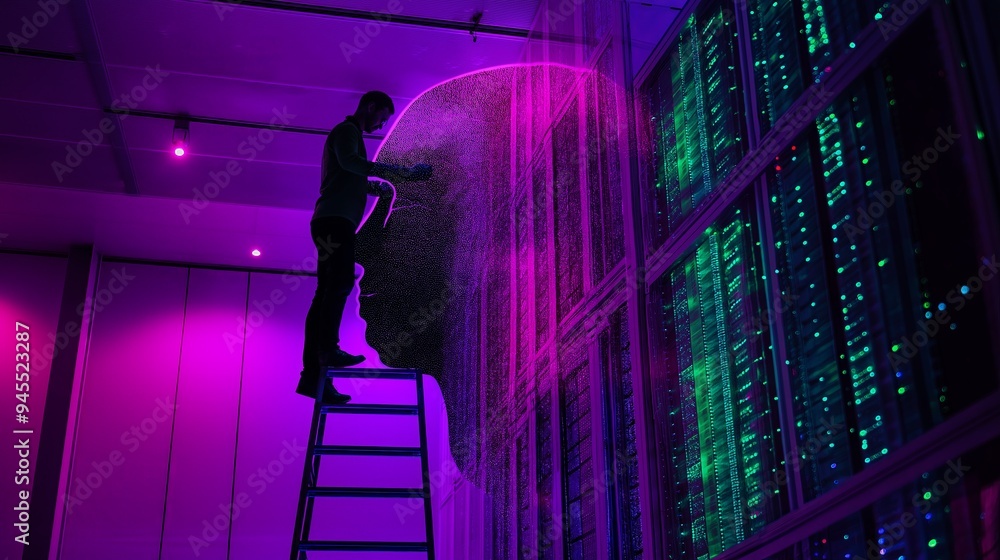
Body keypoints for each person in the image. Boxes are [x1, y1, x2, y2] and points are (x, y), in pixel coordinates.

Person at [297, 90, 432, 405]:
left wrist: (390, 186)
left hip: (333, 222)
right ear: (371, 107)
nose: (381, 124)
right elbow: (353, 164)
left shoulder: (350, 135)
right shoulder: (346, 132)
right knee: (338, 284)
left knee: (329, 291)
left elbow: (352, 175)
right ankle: (326, 351)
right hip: (334, 222)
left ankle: (314, 376)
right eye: (382, 117)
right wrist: (400, 172)